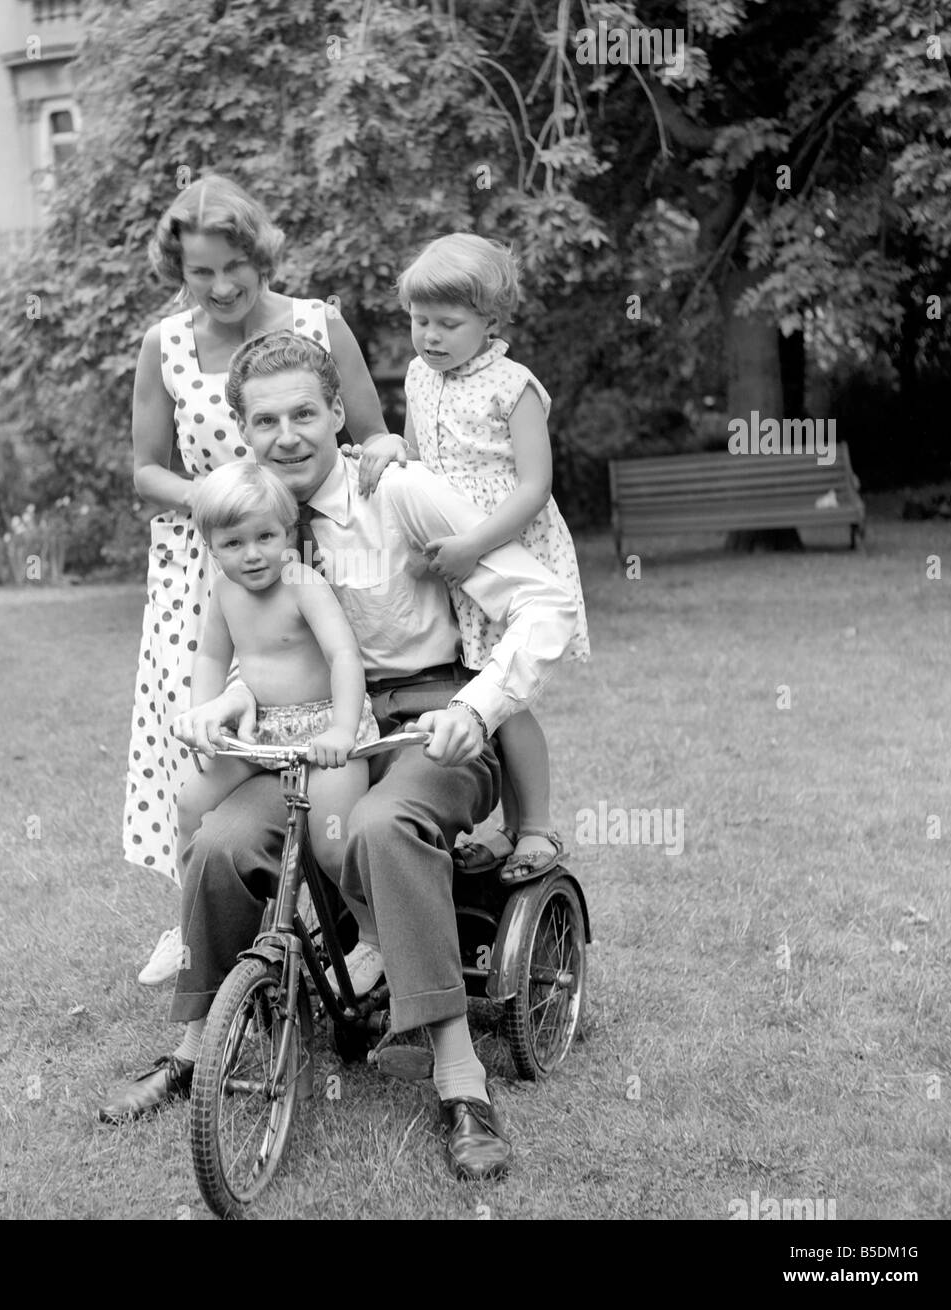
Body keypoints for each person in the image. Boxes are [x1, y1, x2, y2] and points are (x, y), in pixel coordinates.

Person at [100, 331, 580, 1183]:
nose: (287, 436)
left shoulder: (398, 491)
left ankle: (460, 1078)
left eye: (304, 415)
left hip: (429, 718)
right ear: (241, 429)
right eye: (265, 420)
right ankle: (193, 1048)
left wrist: (481, 704)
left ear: (337, 415)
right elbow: (263, 653)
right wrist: (235, 700)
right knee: (218, 843)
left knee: (381, 825)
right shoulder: (251, 529)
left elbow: (541, 603)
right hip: (310, 732)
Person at [125, 174, 406, 986]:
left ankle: (356, 906)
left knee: (320, 697)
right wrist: (227, 508)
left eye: (232, 267)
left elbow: (373, 432)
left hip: (317, 541)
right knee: (202, 739)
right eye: (198, 272)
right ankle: (198, 918)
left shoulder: (319, 323)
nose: (218, 287)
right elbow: (146, 471)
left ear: (260, 253)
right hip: (211, 561)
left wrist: (311, 494)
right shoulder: (166, 346)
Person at [397, 233, 589, 885]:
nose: (431, 337)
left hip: (510, 556)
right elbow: (419, 459)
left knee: (509, 696)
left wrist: (475, 546)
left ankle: (532, 826)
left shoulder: (515, 388)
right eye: (420, 321)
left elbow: (535, 487)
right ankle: (503, 831)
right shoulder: (418, 377)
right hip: (455, 557)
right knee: (478, 685)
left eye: (449, 324)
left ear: (490, 322)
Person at [179, 460, 385, 995]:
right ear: (211, 545)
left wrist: (342, 729)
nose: (253, 554)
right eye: (234, 543)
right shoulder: (224, 593)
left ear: (288, 532)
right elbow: (209, 657)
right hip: (263, 730)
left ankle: (372, 935)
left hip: (323, 728)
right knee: (191, 802)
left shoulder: (302, 583)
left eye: (266, 536)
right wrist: (205, 715)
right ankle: (195, 919)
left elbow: (343, 655)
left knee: (334, 840)